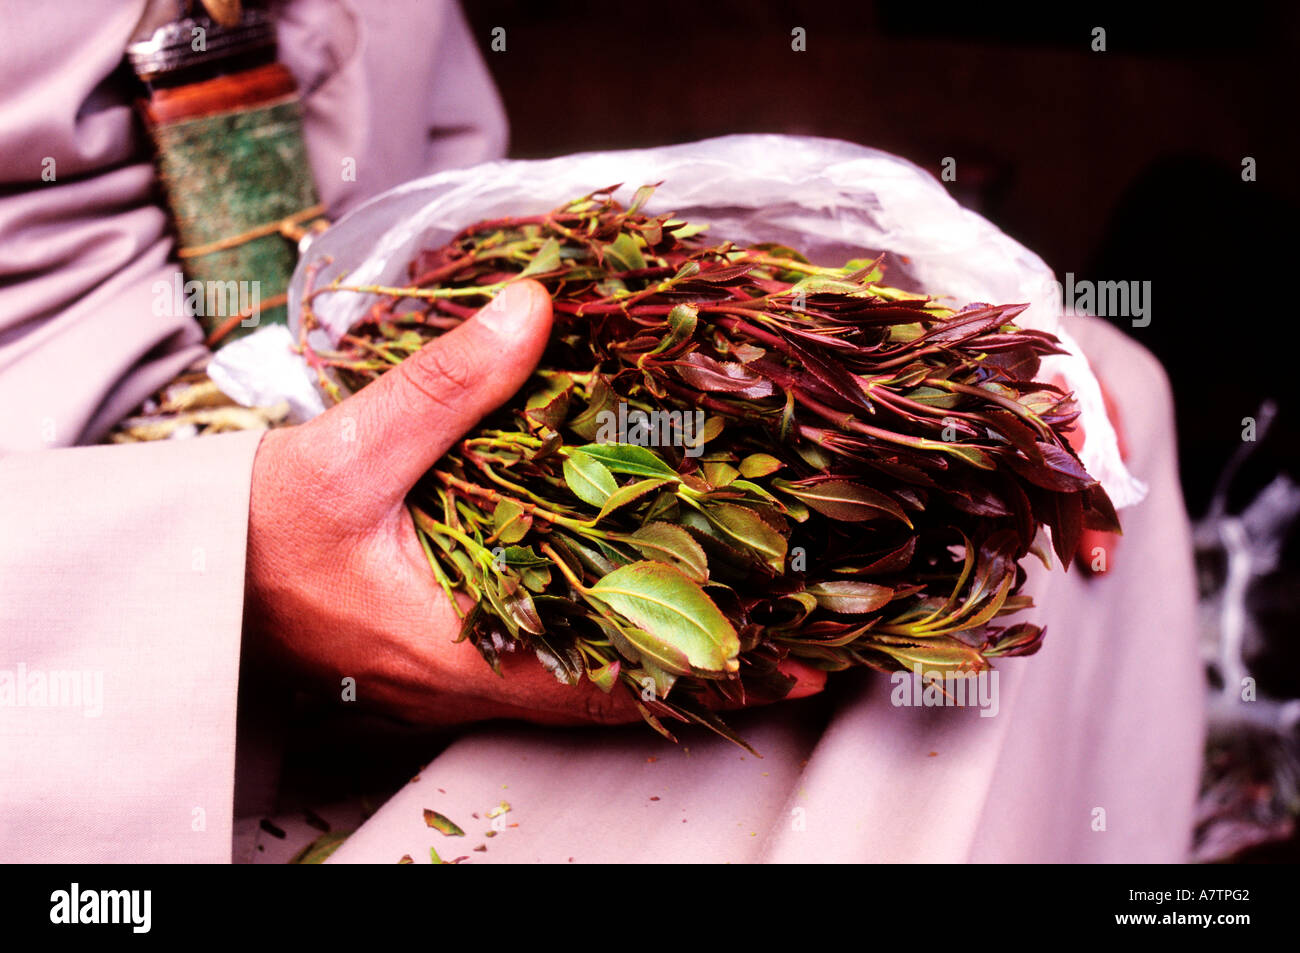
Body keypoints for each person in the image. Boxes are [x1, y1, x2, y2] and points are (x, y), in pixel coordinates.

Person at [1, 1, 1202, 864]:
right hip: (74, 524)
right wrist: (224, 566)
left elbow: (438, 156)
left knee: (1094, 394)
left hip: (369, 333)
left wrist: (848, 312)